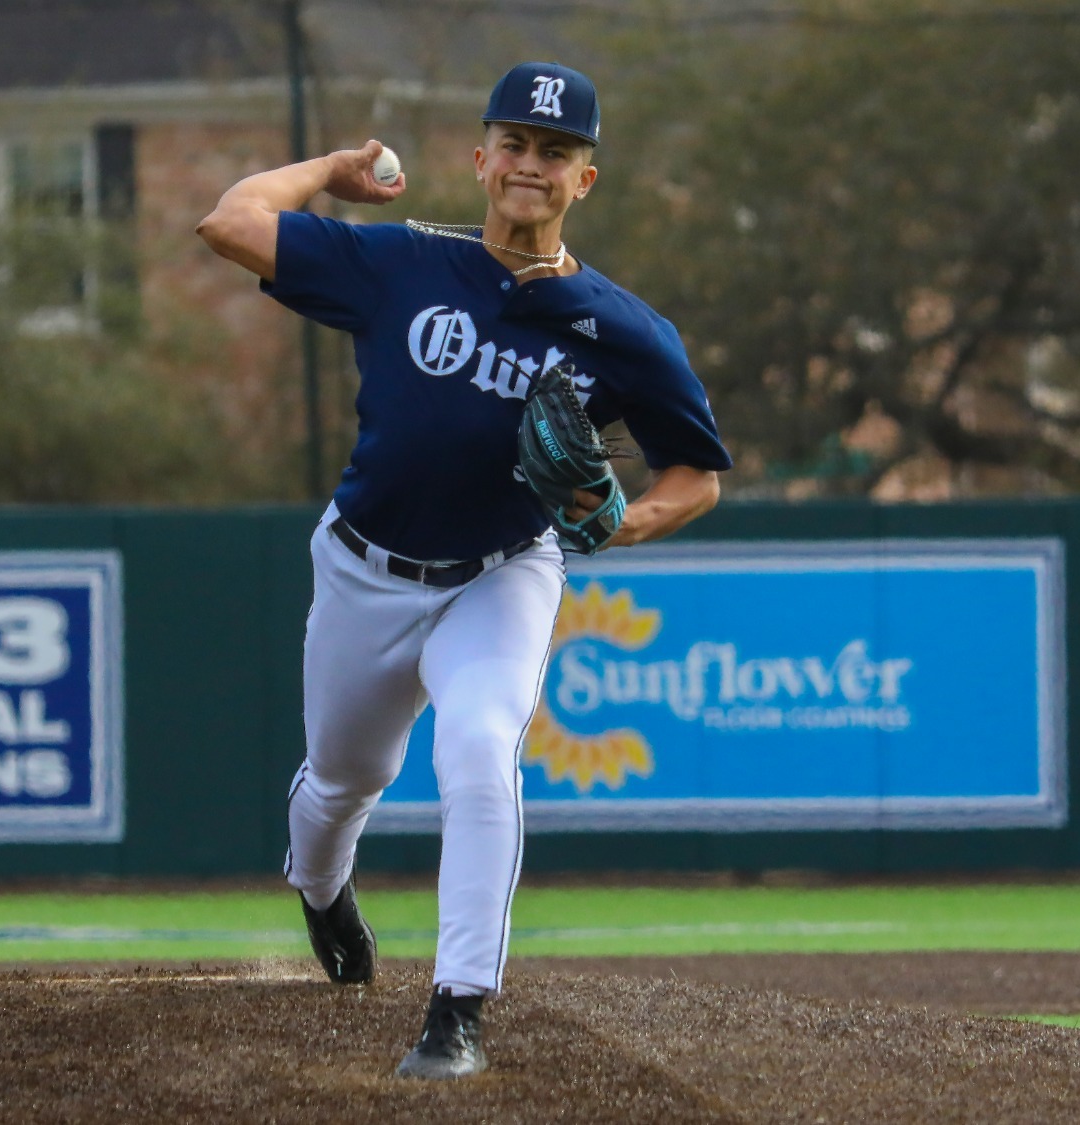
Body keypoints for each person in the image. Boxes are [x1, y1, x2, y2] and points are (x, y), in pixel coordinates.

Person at [196, 61, 730, 1079]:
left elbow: (694, 475)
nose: (532, 165)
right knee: (343, 781)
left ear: (586, 181)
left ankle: (456, 1012)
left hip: (502, 569)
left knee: (482, 752)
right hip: (363, 570)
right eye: (515, 145)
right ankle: (320, 890)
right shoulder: (399, 265)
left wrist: (622, 526)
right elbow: (227, 222)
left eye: (557, 152)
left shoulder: (625, 331)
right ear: (480, 159)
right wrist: (331, 170)